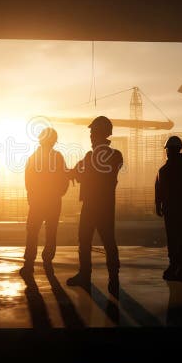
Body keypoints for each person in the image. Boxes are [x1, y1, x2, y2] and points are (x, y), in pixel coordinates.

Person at [66, 116, 123, 292]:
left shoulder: (92, 157)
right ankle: (113, 279)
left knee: (85, 240)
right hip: (105, 206)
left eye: (92, 133)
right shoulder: (115, 155)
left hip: (92, 205)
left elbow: (83, 174)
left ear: (99, 134)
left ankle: (85, 275)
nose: (90, 136)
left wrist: (76, 172)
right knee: (108, 242)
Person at [20, 127, 69, 277]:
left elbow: (28, 180)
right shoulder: (57, 157)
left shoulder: (34, 157)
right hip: (52, 201)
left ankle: (29, 264)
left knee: (33, 231)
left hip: (38, 201)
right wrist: (59, 193)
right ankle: (47, 261)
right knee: (50, 231)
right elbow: (64, 178)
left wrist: (32, 196)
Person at [155, 135, 182, 281]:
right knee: (181, 239)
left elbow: (158, 189)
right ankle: (180, 267)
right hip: (181, 211)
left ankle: (175, 266)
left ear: (168, 150)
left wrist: (158, 205)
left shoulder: (164, 170)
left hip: (172, 211)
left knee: (173, 239)